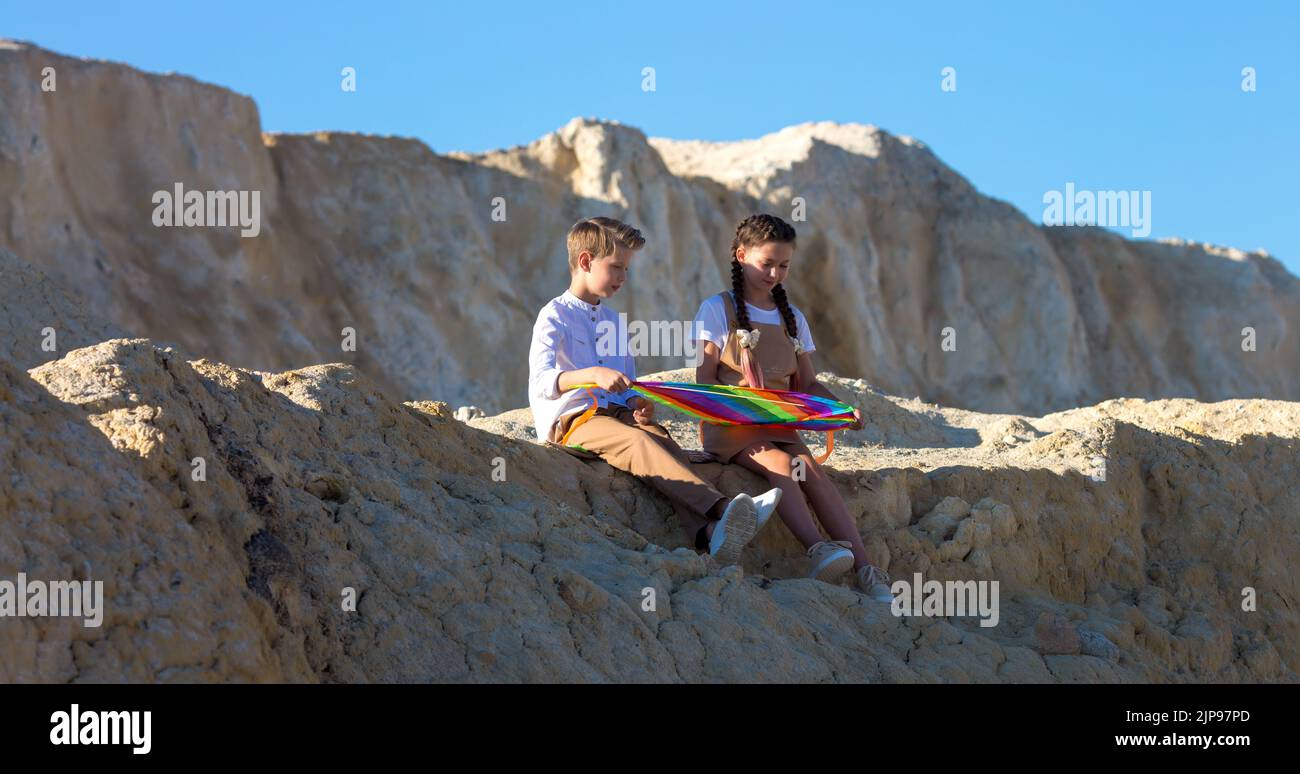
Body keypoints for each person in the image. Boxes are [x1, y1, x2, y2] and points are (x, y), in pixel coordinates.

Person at [528, 216, 782, 565]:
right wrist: (592, 375)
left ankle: (709, 534)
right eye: (616, 267)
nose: (622, 278)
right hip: (573, 421)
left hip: (614, 417)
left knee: (658, 436)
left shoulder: (614, 322)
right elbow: (542, 380)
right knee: (639, 442)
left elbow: (625, 384)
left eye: (627, 270)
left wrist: (635, 402)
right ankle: (724, 507)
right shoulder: (553, 315)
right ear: (585, 261)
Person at [693, 214, 892, 601]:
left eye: (783, 265)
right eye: (766, 263)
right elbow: (704, 382)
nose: (774, 273)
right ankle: (818, 550)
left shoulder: (792, 318)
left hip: (780, 426)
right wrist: (742, 400)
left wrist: (839, 410)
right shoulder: (717, 309)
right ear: (741, 256)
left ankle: (867, 568)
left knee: (814, 473)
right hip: (732, 427)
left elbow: (808, 384)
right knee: (784, 466)